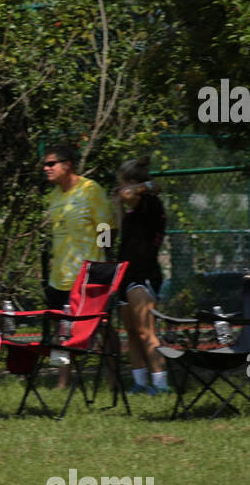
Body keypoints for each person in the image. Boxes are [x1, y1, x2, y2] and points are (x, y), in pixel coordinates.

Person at [42, 143, 114, 387]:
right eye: (45, 164)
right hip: (59, 277)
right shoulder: (54, 196)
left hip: (88, 276)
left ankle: (114, 379)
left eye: (51, 163)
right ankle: (63, 382)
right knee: (61, 330)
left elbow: (106, 228)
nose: (46, 168)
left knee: (101, 327)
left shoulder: (90, 190)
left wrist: (105, 265)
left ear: (67, 165)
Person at [113, 157, 168, 395]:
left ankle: (161, 384)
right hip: (125, 274)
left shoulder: (151, 204)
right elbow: (117, 228)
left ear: (133, 184)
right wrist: (117, 204)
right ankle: (140, 382)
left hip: (144, 275)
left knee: (147, 332)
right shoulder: (133, 213)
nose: (121, 190)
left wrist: (134, 189)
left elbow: (155, 187)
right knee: (132, 333)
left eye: (123, 184)